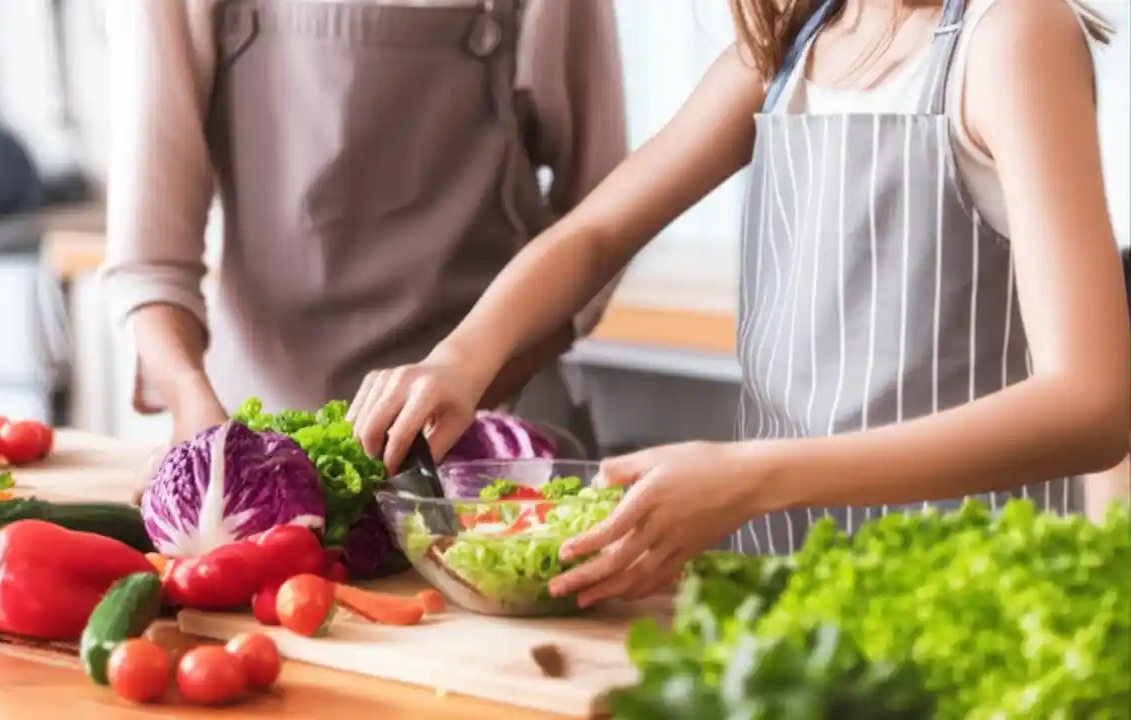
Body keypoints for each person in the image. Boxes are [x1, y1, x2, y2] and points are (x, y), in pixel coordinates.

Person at [350, 0, 1131, 607]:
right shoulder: (788, 54)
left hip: (971, 604)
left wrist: (751, 478)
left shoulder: (1012, 38)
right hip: (788, 595)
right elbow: (593, 233)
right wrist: (460, 357)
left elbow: (1092, 406)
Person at [100, 0, 625, 448]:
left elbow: (603, 216)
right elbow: (150, 260)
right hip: (261, 431)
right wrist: (194, 404)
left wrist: (462, 383)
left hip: (488, 434)